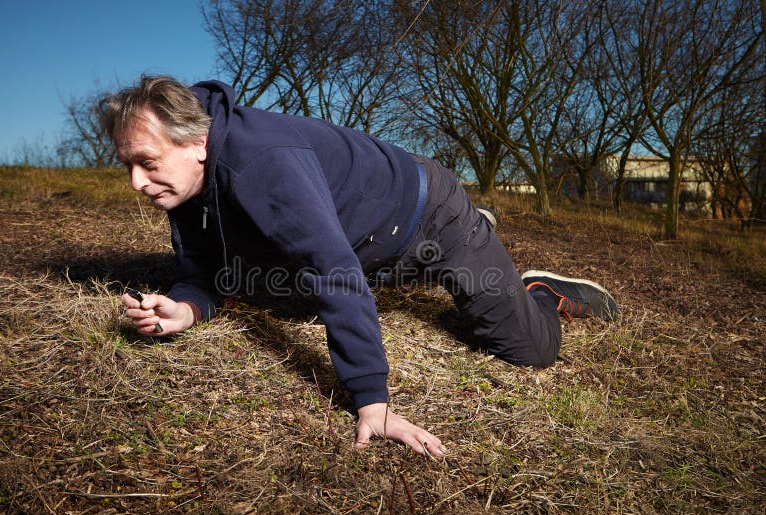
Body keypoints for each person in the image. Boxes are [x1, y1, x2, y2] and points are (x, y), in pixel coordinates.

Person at [105, 75, 617, 459]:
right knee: (267, 287)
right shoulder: (186, 187)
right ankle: (459, 243)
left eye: (146, 162)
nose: (134, 182)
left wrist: (372, 400)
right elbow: (208, 269)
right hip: (368, 240)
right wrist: (186, 308)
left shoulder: (261, 163)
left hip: (428, 219)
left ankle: (532, 286)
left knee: (529, 348)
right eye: (126, 164)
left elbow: (334, 273)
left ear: (197, 142)